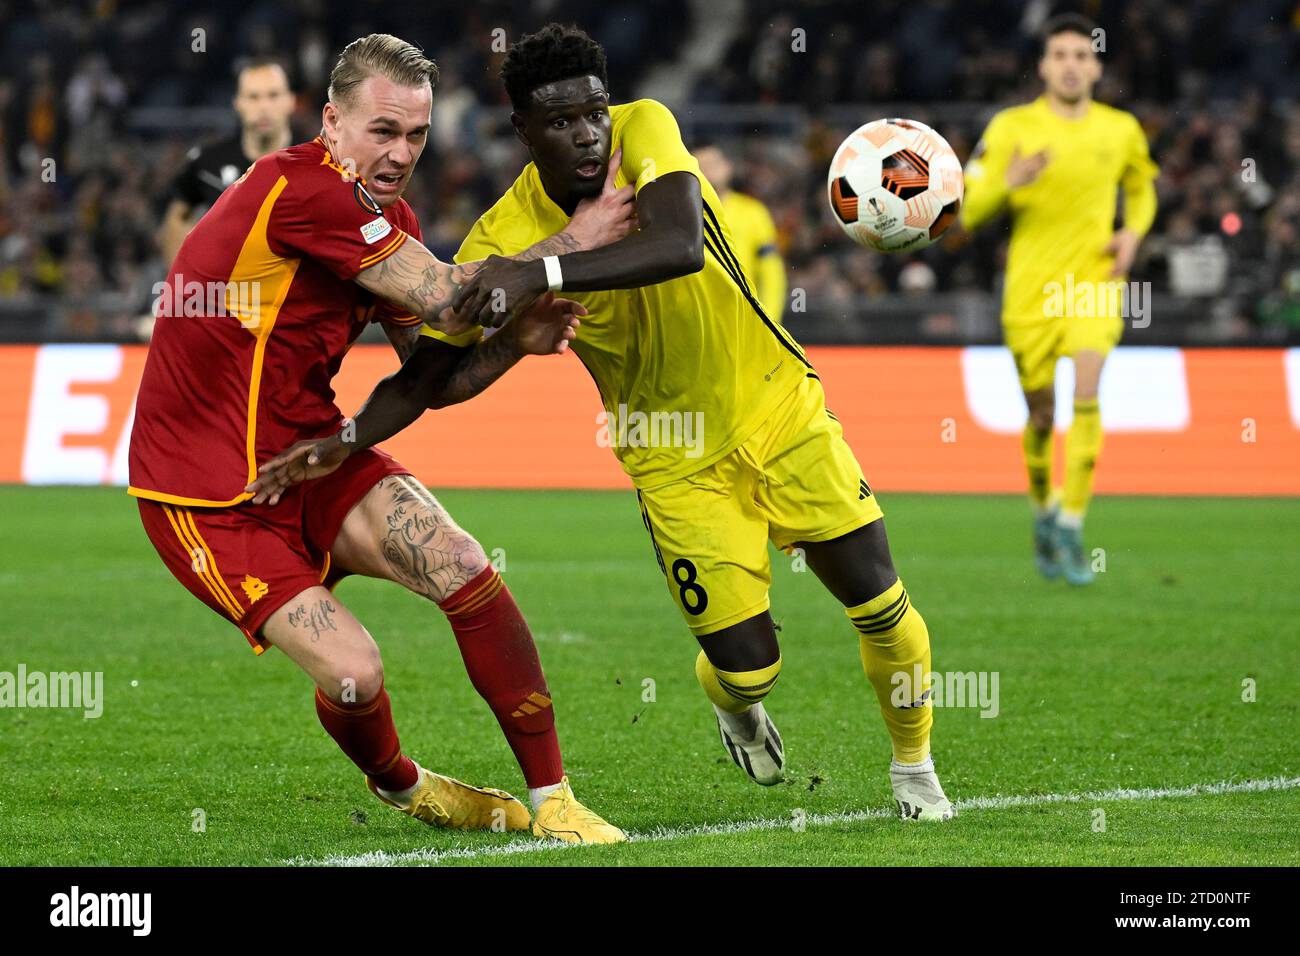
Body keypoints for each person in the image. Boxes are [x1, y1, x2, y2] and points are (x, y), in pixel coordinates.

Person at [251, 24, 955, 822]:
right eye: (560, 122)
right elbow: (430, 379)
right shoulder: (498, 240)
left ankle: (915, 769)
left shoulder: (643, 129)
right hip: (672, 459)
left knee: (878, 600)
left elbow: (677, 243)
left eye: (594, 112)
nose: (588, 133)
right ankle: (734, 701)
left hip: (777, 404)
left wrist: (540, 272)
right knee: (749, 666)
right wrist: (345, 440)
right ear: (522, 131)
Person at [129, 33, 632, 844]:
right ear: (331, 122)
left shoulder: (385, 217)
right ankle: (407, 787)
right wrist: (579, 240)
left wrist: (513, 346)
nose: (401, 153)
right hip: (208, 492)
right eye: (383, 130)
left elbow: (436, 375)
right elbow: (448, 297)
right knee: (356, 675)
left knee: (463, 562)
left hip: (311, 456)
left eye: (418, 135)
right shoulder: (298, 188)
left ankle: (553, 800)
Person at [962, 14, 1158, 585]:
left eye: (1081, 55)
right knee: (1043, 415)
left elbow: (1143, 188)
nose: (1071, 65)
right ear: (1043, 65)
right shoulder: (1009, 127)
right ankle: (1044, 511)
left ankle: (1072, 523)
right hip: (1029, 292)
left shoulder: (1121, 129)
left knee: (1090, 387)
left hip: (1093, 285)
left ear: (1096, 66)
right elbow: (968, 212)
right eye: (1060, 55)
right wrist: (1008, 182)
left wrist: (1133, 233)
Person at [158, 58, 296, 266]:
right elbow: (175, 221)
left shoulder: (318, 161)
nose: (264, 106)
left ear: (291, 102)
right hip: (226, 294)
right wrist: (185, 289)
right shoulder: (208, 161)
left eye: (273, 95)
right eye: (253, 97)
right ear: (238, 104)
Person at [694, 142, 787, 322]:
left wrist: (770, 319)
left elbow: (771, 270)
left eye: (712, 164)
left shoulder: (753, 212)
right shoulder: (683, 214)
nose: (707, 172)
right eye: (700, 167)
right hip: (698, 317)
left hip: (742, 315)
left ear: (727, 167)